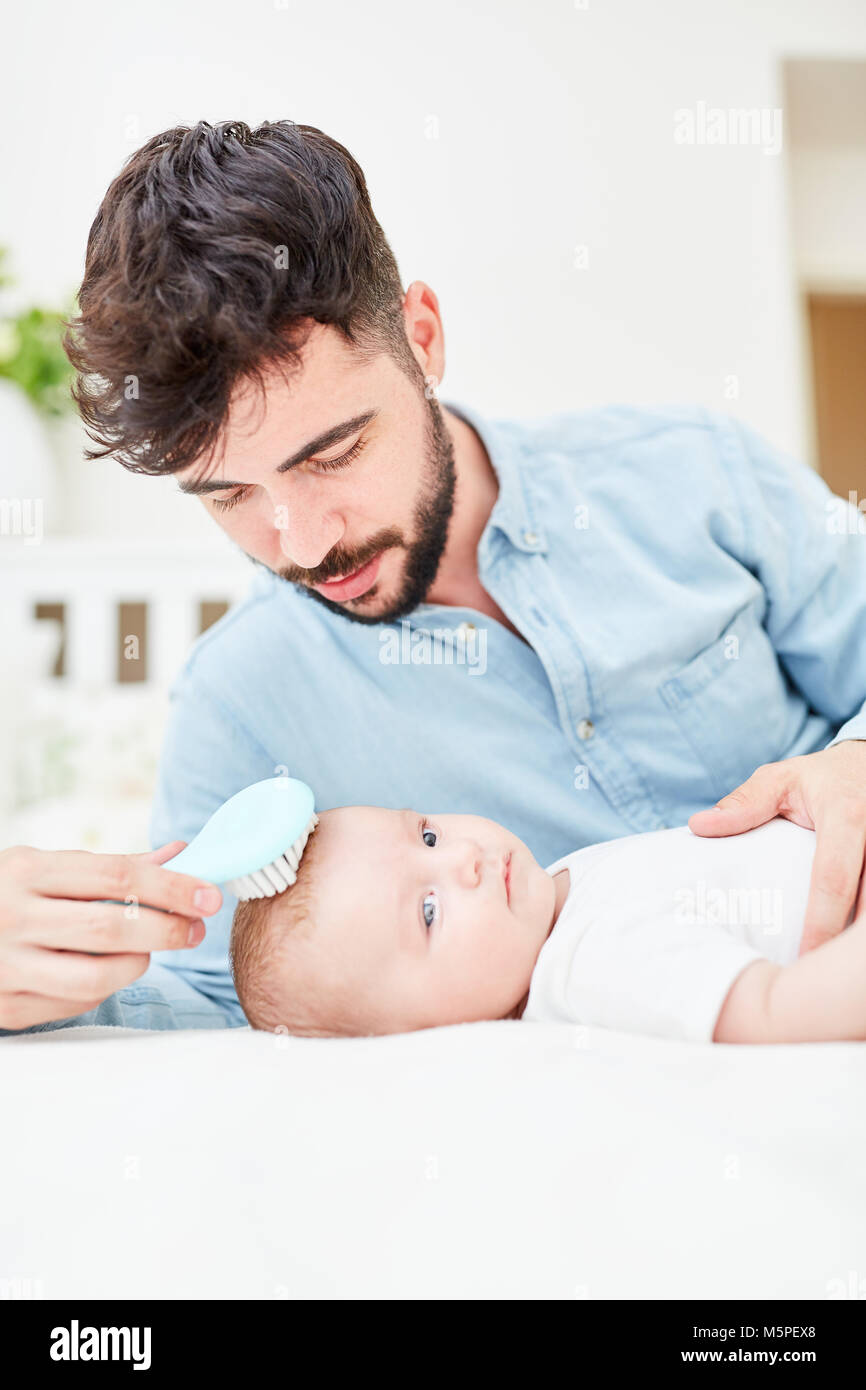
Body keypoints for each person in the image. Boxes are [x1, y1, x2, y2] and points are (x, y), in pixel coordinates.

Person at [3, 117, 866, 1034]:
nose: (298, 544)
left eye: (331, 453)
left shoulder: (692, 472)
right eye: (229, 497)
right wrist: (41, 982)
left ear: (422, 338)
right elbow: (217, 1013)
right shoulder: (241, 708)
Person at [229, 806, 860, 1045]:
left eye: (427, 835)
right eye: (428, 910)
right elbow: (774, 1011)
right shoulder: (589, 964)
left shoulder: (555, 897)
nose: (463, 859)